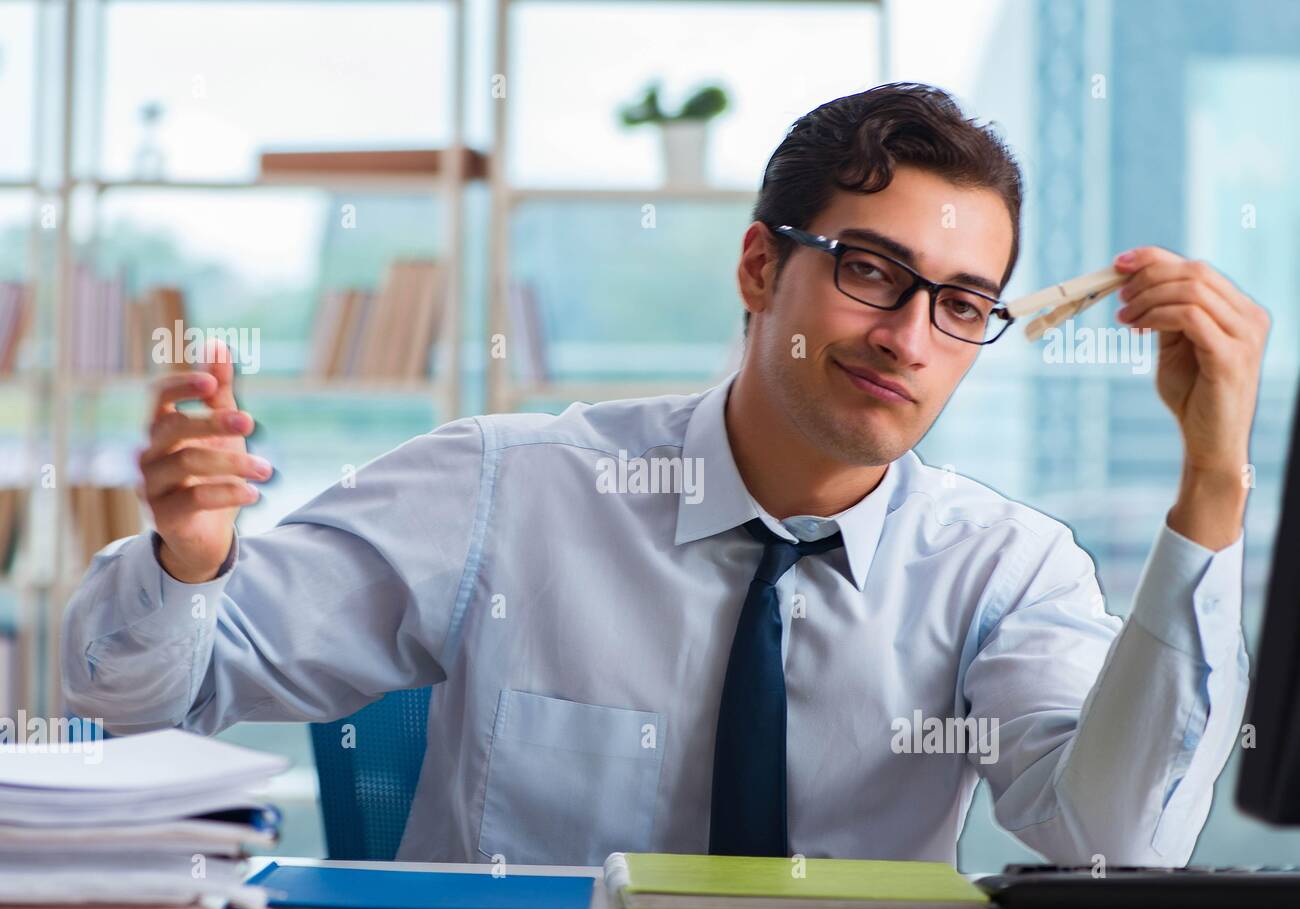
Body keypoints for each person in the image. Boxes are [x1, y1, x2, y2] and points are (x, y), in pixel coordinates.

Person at [62, 83, 1269, 867]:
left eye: (959, 304)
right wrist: (191, 559)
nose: (908, 336)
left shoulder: (1003, 570)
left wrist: (1211, 480)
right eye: (867, 270)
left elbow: (1113, 837)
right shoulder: (510, 490)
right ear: (758, 267)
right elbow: (144, 696)